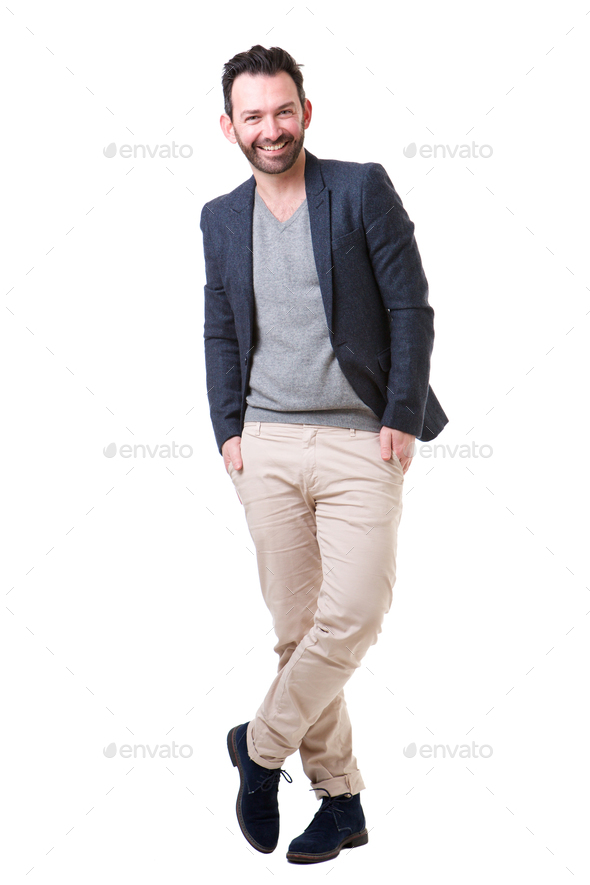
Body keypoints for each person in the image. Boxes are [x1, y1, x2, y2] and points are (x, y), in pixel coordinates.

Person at [200, 44, 448, 865]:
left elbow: (411, 307)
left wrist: (402, 414)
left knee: (354, 616)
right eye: (253, 116)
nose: (269, 129)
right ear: (228, 125)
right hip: (264, 445)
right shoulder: (220, 217)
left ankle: (257, 748)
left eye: (282, 111)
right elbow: (223, 327)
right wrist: (228, 430)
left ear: (307, 111)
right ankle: (340, 801)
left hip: (361, 439)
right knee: (297, 630)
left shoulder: (360, 189)